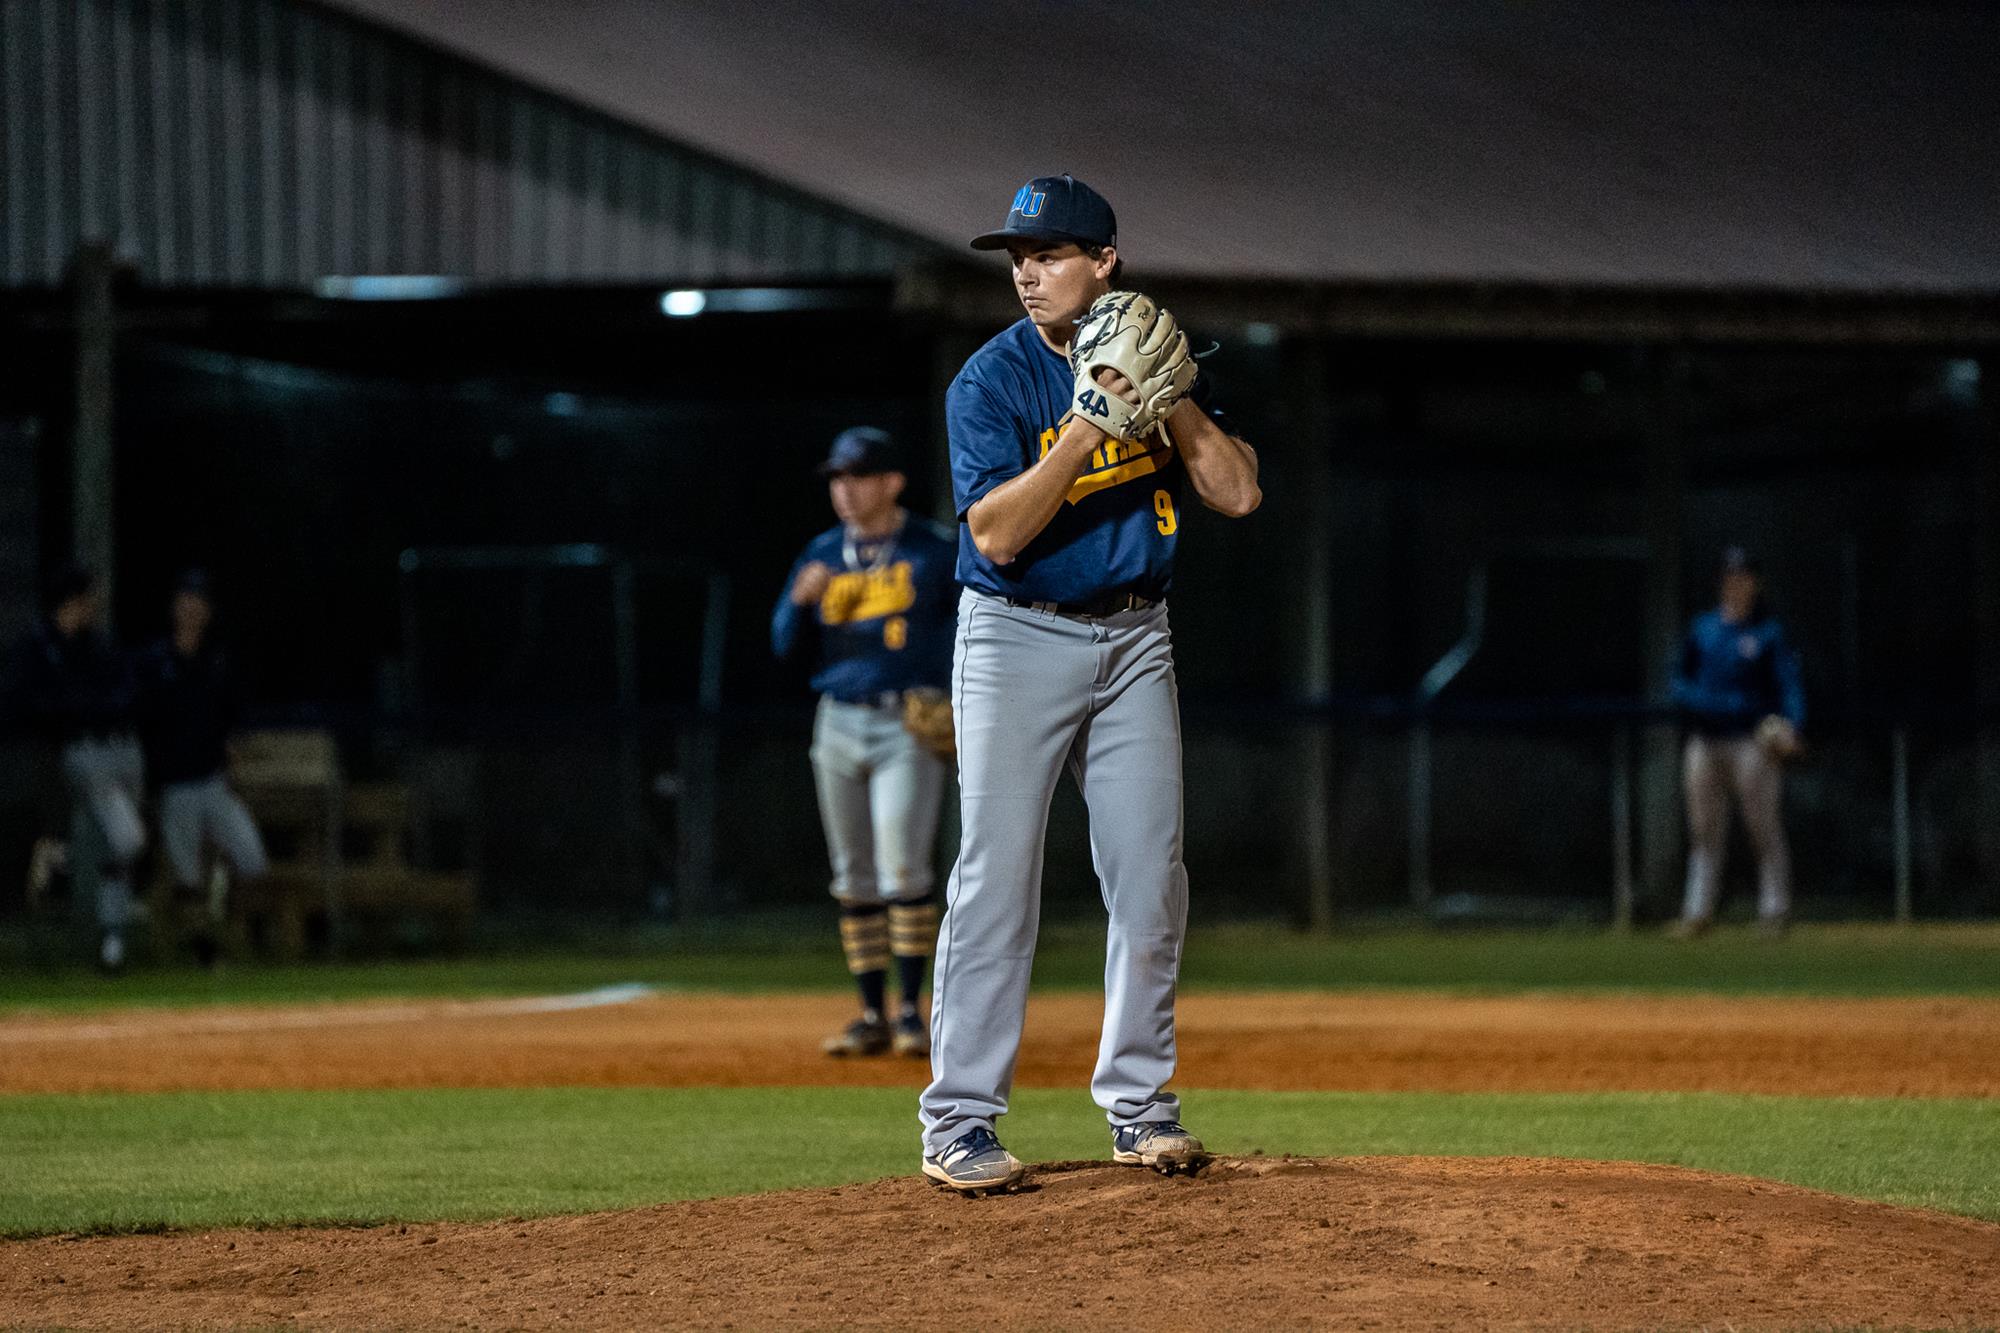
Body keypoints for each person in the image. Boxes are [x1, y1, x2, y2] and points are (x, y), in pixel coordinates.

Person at [918, 175, 1261, 1193]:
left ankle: (1141, 1105)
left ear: (1103, 262)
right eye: (1016, 257)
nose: (1026, 273)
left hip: (1134, 637)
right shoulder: (989, 382)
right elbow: (996, 534)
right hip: (1014, 636)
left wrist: (1174, 396)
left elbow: (1237, 492)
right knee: (995, 879)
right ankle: (959, 1121)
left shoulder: (1158, 359)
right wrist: (1085, 424)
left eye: (1050, 253)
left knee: (1152, 880)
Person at [772, 428, 959, 1059]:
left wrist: (959, 695)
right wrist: (798, 606)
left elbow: (972, 629)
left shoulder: (933, 550)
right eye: (837, 479)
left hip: (907, 722)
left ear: (891, 482)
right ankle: (870, 1014)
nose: (844, 491)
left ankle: (911, 1012)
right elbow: (780, 645)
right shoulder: (823, 553)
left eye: (857, 477)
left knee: (903, 864)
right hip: (838, 720)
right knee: (853, 877)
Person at [13, 567, 146, 972]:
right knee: (127, 840)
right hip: (78, 754)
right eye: (88, 597)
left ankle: (112, 941)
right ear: (71, 600)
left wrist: (97, 706)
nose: (94, 604)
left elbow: (127, 691)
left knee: (115, 851)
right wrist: (79, 712)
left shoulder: (97, 645)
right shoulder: (39, 646)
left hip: (121, 749)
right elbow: (29, 705)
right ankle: (61, 861)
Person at [1670, 546, 1806, 937]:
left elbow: (1789, 685)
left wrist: (1793, 725)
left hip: (1752, 741)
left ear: (1755, 583)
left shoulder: (1767, 632)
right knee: (1703, 829)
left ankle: (1775, 911)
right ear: (1722, 582)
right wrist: (1707, 702)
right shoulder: (1704, 629)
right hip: (1705, 739)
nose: (1737, 583)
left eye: (1744, 576)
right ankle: (1697, 913)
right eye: (1731, 577)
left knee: (1762, 826)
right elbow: (1678, 680)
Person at [135, 569, 268, 968]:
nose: (191, 609)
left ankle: (235, 933)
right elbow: (144, 723)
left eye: (199, 602)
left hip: (213, 782)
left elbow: (235, 719)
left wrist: (232, 751)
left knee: (252, 860)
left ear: (208, 611)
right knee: (187, 877)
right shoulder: (156, 662)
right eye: (185, 600)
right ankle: (200, 950)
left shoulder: (217, 662)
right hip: (175, 787)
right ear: (174, 607)